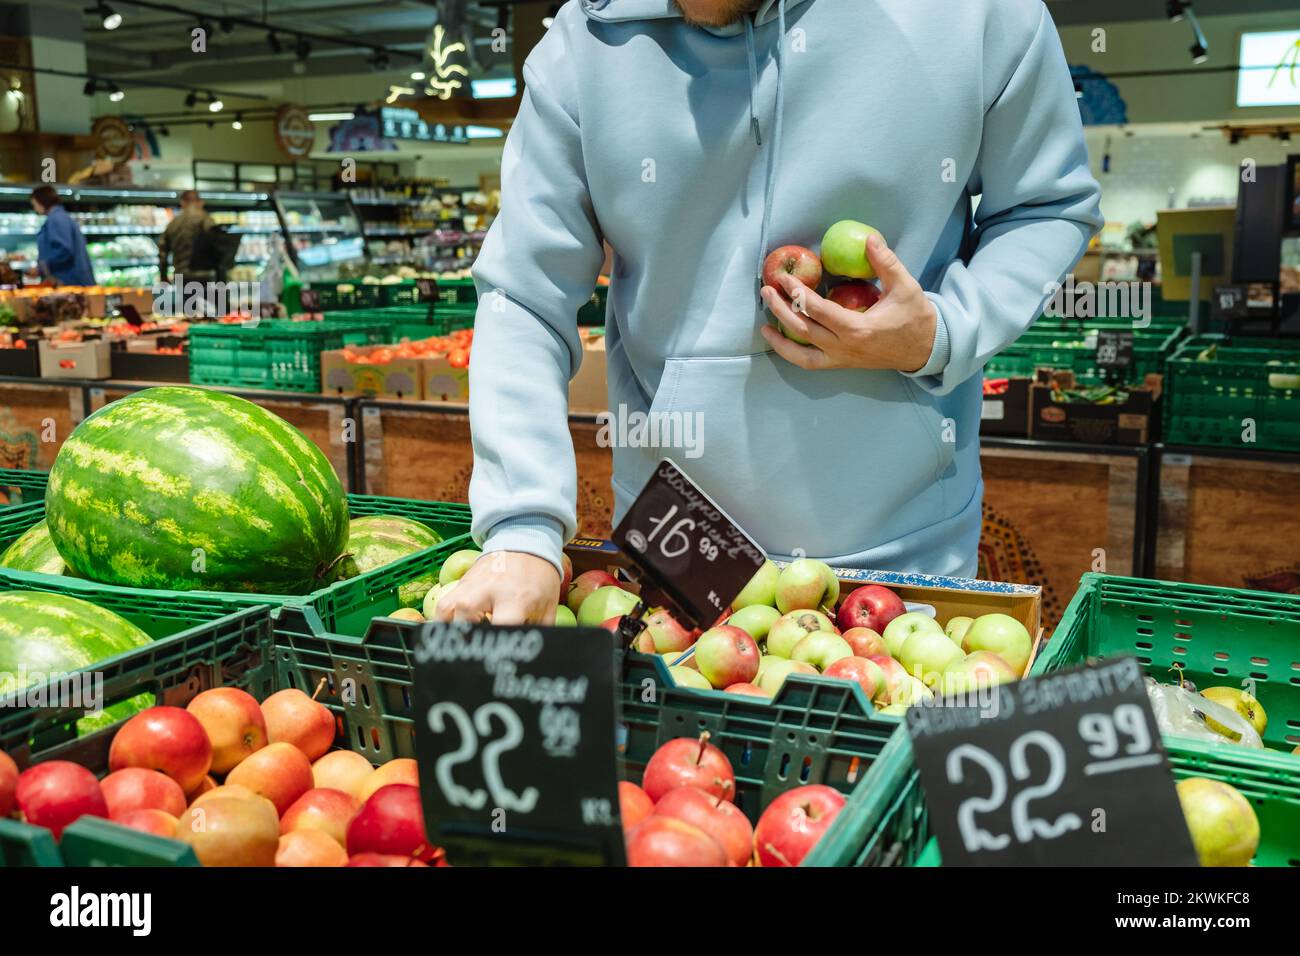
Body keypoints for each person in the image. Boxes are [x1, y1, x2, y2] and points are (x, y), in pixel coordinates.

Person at [438, 0, 1104, 626]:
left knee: (892, 743)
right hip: (675, 542)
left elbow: (1048, 205)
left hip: (904, 549)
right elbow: (524, 292)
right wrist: (522, 526)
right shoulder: (584, 44)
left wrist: (942, 332)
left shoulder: (978, 16)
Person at [31, 186, 95, 286]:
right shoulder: (60, 217)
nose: (35, 208)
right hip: (72, 280)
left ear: (42, 201)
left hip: (69, 281)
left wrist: (43, 266)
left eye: (34, 204)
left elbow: (64, 250)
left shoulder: (56, 219)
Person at [158, 190, 215, 282]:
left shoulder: (173, 223)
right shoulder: (206, 219)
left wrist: (163, 276)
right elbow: (218, 244)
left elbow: (163, 252)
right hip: (205, 275)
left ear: (182, 203)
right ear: (200, 202)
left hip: (181, 276)